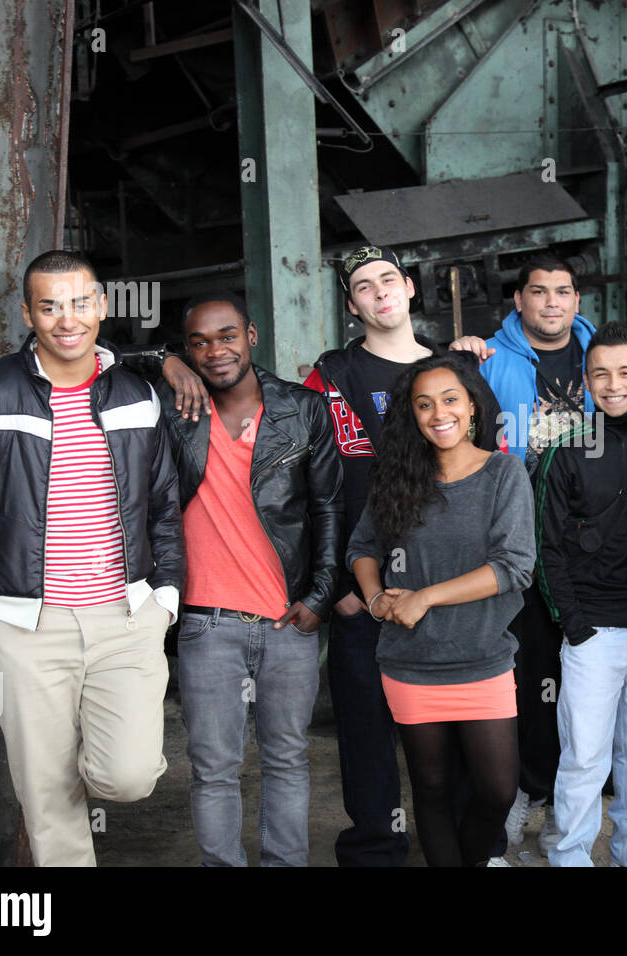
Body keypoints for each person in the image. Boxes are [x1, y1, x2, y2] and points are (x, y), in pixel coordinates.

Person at [142, 243, 502, 866]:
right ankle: (374, 851)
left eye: (389, 279)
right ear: (350, 303)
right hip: (359, 585)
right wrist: (334, 586)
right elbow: (326, 500)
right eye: (364, 285)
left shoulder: (455, 373)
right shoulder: (327, 378)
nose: (380, 292)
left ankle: (474, 850)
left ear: (410, 288)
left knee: (455, 738)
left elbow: (486, 467)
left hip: (447, 583)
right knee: (358, 734)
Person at [0, 249, 184, 866]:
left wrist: (164, 599)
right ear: (28, 312)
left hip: (127, 617)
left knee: (128, 774)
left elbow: (164, 507)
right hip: (23, 625)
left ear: (103, 306)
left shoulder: (137, 396)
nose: (67, 319)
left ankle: (80, 750)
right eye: (49, 305)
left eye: (81, 302)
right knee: (48, 800)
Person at [451, 255, 627, 851]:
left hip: (591, 548)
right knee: (527, 673)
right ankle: (519, 792)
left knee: (584, 684)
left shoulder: (605, 355)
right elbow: (449, 411)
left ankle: (575, 810)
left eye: (563, 292)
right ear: (519, 301)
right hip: (518, 538)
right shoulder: (488, 357)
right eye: (538, 292)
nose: (552, 303)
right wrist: (457, 354)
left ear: (577, 300)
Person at [141, 290, 341, 866]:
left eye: (226, 336)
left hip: (288, 623)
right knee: (213, 770)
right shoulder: (176, 410)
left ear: (251, 336)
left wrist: (323, 595)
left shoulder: (302, 410)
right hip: (207, 625)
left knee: (287, 759)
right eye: (198, 342)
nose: (214, 351)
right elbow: (97, 356)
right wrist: (161, 358)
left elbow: (328, 507)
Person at [347, 352, 536, 867]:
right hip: (411, 664)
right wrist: (374, 597)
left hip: (483, 659)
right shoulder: (397, 478)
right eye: (424, 404)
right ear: (412, 415)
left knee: (497, 791)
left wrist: (425, 596)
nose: (438, 414)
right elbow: (362, 548)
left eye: (450, 400)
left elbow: (515, 567)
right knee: (429, 789)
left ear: (472, 406)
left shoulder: (503, 473)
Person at [534, 323, 627, 867]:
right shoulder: (565, 453)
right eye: (601, 372)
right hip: (592, 632)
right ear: (585, 380)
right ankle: (571, 856)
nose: (613, 383)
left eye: (626, 372)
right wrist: (573, 623)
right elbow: (544, 547)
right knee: (584, 758)